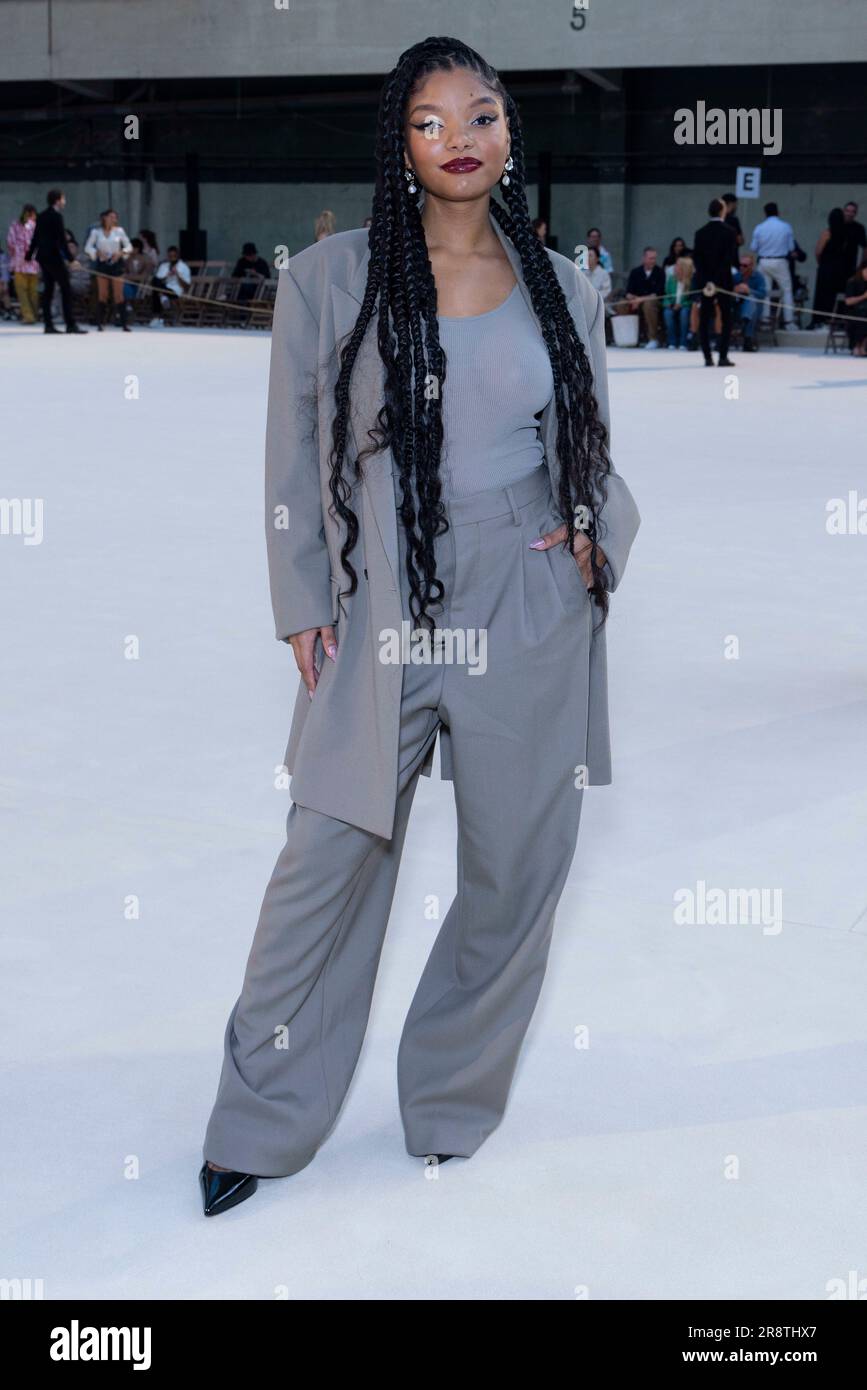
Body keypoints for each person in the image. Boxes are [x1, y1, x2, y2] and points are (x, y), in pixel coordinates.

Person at [199, 35, 640, 1217]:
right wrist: (303, 595)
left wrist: (595, 533)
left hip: (525, 599)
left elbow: (591, 451)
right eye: (433, 120)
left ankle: (450, 1099)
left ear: (510, 135)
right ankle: (262, 1113)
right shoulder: (330, 280)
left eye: (482, 116)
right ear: (401, 143)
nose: (461, 139)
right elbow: (295, 452)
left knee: (516, 872)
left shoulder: (567, 284)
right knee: (327, 858)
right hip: (379, 594)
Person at [26, 189, 87, 334]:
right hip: (53, 257)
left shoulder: (41, 216)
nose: (65, 202)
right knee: (66, 288)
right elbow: (61, 241)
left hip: (43, 257)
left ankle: (48, 325)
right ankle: (70, 324)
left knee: (48, 290)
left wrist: (29, 255)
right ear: (58, 200)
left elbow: (35, 238)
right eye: (63, 199)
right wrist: (71, 260)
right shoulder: (57, 216)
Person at [693, 197, 738, 366]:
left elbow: (697, 260)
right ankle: (723, 356)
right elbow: (728, 259)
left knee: (704, 319)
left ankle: (707, 357)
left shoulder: (700, 232)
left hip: (705, 283)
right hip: (724, 282)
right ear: (722, 210)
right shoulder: (730, 232)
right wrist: (717, 280)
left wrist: (707, 280)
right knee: (726, 318)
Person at [84, 208, 133, 330]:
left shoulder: (119, 231)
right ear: (104, 218)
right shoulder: (96, 232)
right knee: (103, 294)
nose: (113, 219)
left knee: (118, 295)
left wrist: (121, 252)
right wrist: (97, 252)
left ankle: (124, 324)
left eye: (115, 217)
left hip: (116, 264)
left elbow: (129, 246)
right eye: (111, 217)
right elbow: (88, 247)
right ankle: (100, 323)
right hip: (103, 264)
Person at [750, 201, 796, 328]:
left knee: (765, 291)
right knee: (786, 290)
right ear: (778, 212)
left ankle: (765, 321)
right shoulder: (786, 226)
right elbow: (791, 247)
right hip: (780, 261)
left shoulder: (759, 227)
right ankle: (789, 321)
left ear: (765, 213)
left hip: (764, 261)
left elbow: (753, 247)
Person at [616, 246, 664, 348]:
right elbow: (628, 291)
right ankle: (628, 337)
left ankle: (653, 338)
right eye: (651, 258)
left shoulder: (660, 272)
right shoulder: (635, 272)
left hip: (652, 301)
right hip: (635, 299)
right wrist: (633, 299)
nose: (653, 261)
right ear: (644, 258)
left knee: (649, 304)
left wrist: (640, 300)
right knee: (621, 304)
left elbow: (658, 293)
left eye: (654, 258)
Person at [812, 208, 850, 320]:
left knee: (823, 295)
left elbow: (818, 251)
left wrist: (821, 263)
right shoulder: (844, 236)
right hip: (839, 269)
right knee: (835, 296)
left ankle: (820, 319)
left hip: (826, 268)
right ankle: (835, 319)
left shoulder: (827, 233)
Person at [7, 203, 40, 324]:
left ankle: (28, 316)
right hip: (33, 264)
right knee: (33, 292)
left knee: (22, 293)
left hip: (19, 263)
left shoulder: (15, 225)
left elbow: (10, 242)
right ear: (33, 214)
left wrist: (16, 254)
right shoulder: (36, 226)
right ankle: (34, 315)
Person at [732, 251, 767, 352]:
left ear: (752, 266)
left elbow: (763, 294)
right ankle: (747, 340)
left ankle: (744, 324)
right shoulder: (736, 277)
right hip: (737, 307)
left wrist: (749, 291)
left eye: (745, 265)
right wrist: (734, 289)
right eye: (740, 265)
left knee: (751, 301)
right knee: (749, 312)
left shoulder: (758, 277)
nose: (742, 267)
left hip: (755, 307)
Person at [662, 254, 693, 349]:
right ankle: (672, 341)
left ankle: (683, 342)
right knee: (667, 313)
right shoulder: (671, 279)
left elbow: (692, 299)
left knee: (684, 313)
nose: (675, 267)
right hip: (672, 306)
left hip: (686, 307)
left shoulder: (691, 282)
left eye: (677, 265)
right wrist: (670, 304)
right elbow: (666, 296)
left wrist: (681, 305)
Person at [152, 245, 191, 319]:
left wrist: (177, 275)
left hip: (175, 291)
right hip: (163, 288)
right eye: (170, 256)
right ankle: (163, 297)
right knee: (155, 282)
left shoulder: (184, 267)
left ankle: (157, 316)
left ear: (178, 256)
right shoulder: (163, 266)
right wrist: (167, 276)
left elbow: (187, 286)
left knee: (156, 292)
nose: (172, 258)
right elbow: (157, 281)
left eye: (174, 256)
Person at [842, 251, 867, 356]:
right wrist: (863, 297)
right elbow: (848, 301)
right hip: (853, 312)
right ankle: (857, 345)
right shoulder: (852, 282)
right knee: (861, 318)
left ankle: (863, 346)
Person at [841, 202, 867, 278]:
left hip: (850, 266)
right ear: (843, 211)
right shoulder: (837, 225)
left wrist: (861, 266)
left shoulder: (858, 228)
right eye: (847, 211)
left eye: (853, 212)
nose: (849, 214)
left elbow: (865, 247)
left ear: (855, 214)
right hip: (834, 267)